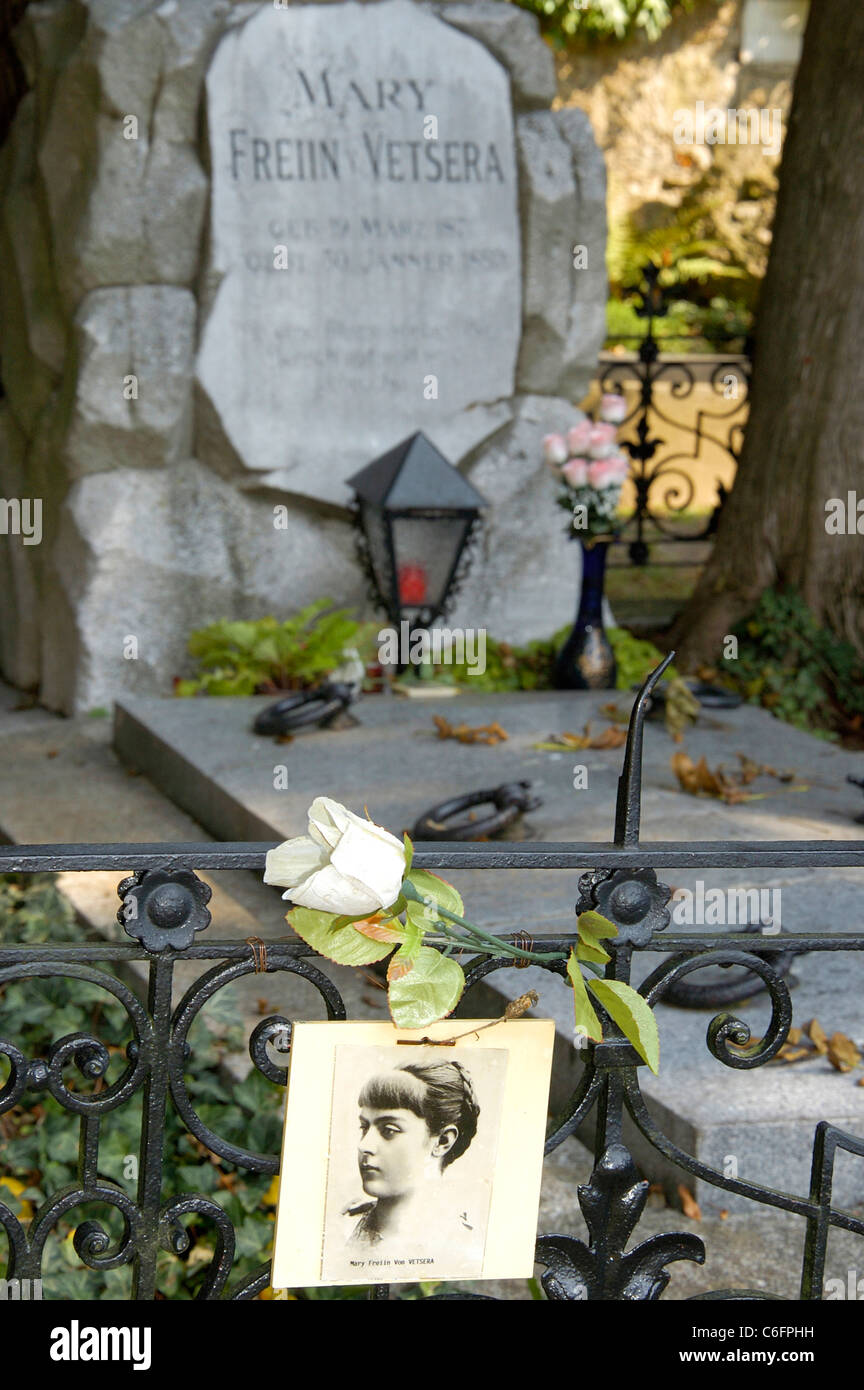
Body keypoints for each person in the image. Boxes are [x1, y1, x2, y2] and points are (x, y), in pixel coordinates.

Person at [343, 1061, 481, 1251]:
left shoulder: (462, 1245)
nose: (364, 1145)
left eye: (389, 1130)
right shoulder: (341, 1228)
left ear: (442, 1141)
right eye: (364, 1127)